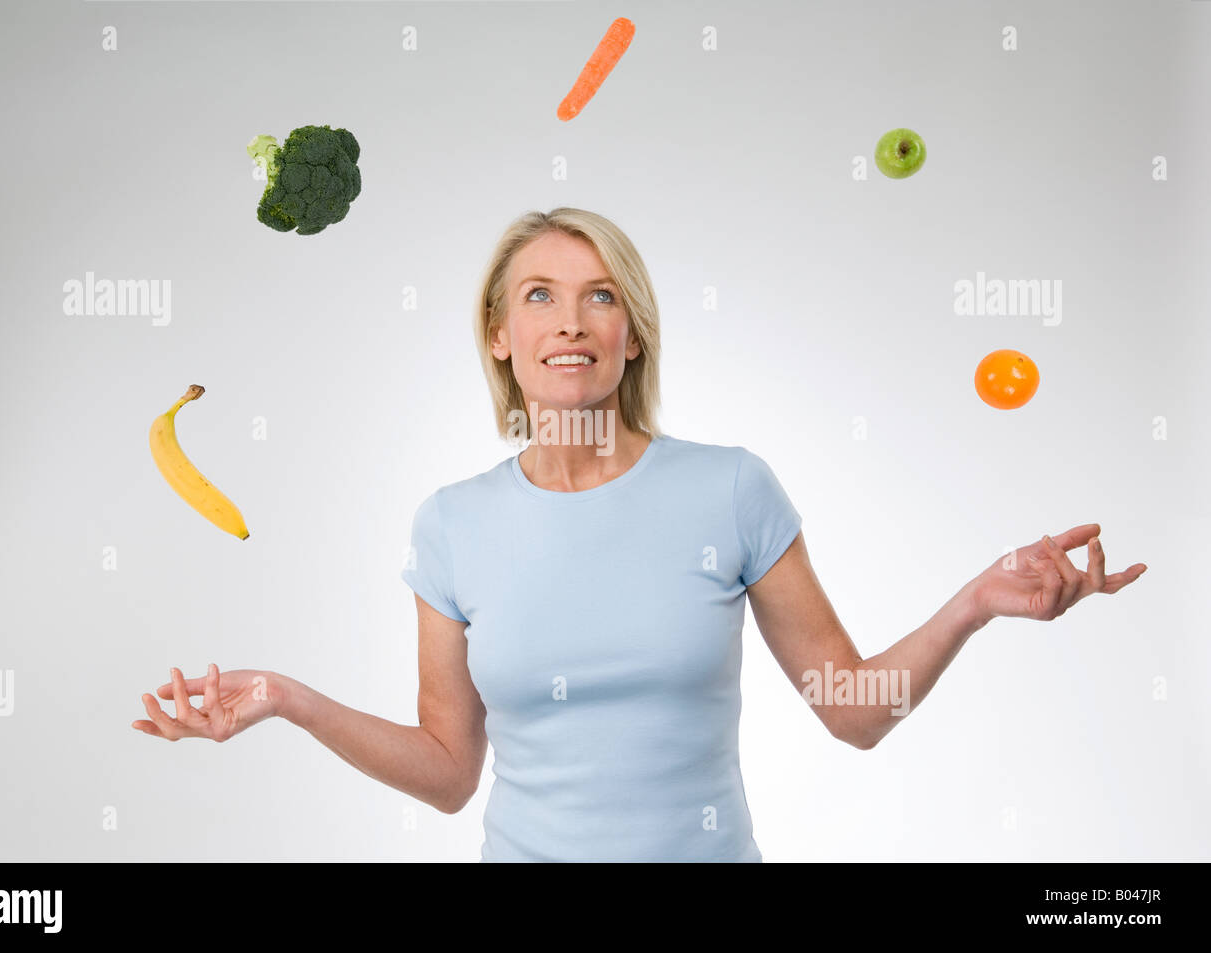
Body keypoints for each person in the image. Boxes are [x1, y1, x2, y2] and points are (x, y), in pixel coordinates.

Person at [132, 207, 1148, 862]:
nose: (569, 321)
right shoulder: (452, 524)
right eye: (540, 296)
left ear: (631, 334)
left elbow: (852, 710)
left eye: (599, 296)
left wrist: (973, 602)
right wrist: (286, 698)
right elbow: (448, 773)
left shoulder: (730, 488)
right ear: (500, 335)